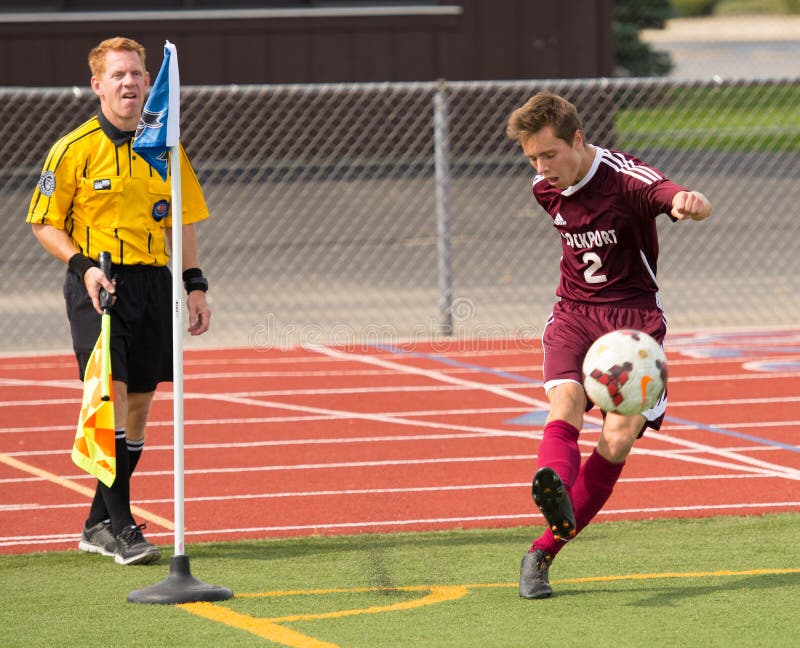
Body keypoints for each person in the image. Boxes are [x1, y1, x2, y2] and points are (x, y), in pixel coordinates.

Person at [506, 91, 711, 598]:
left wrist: (690, 202)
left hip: (633, 324)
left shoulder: (623, 178)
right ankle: (554, 487)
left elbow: (665, 192)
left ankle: (542, 551)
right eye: (532, 158)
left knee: (616, 440)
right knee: (566, 402)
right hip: (573, 314)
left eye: (549, 154)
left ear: (578, 139)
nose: (541, 168)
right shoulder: (544, 189)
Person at [26, 37, 212, 565]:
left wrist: (194, 285)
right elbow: (43, 222)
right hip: (99, 286)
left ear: (149, 81)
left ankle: (96, 523)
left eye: (136, 73)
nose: (129, 82)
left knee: (138, 411)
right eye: (118, 75)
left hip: (153, 285)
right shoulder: (73, 149)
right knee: (110, 401)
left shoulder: (167, 147)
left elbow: (182, 221)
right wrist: (83, 266)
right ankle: (125, 529)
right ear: (97, 85)